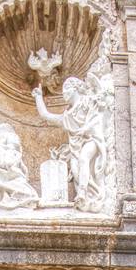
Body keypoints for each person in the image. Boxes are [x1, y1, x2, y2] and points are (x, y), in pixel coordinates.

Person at [33, 75, 109, 212]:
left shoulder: (87, 102)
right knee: (75, 170)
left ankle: (82, 194)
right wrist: (38, 97)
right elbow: (46, 115)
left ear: (75, 89)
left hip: (92, 139)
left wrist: (85, 129)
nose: (64, 93)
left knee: (84, 159)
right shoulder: (67, 116)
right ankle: (88, 197)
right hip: (76, 147)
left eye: (66, 89)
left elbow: (97, 118)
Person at [0, 122, 39, 210]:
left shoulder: (11, 151)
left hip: (15, 180)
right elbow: (4, 163)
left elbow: (21, 169)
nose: (16, 145)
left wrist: (22, 168)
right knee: (28, 193)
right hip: (6, 180)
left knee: (28, 192)